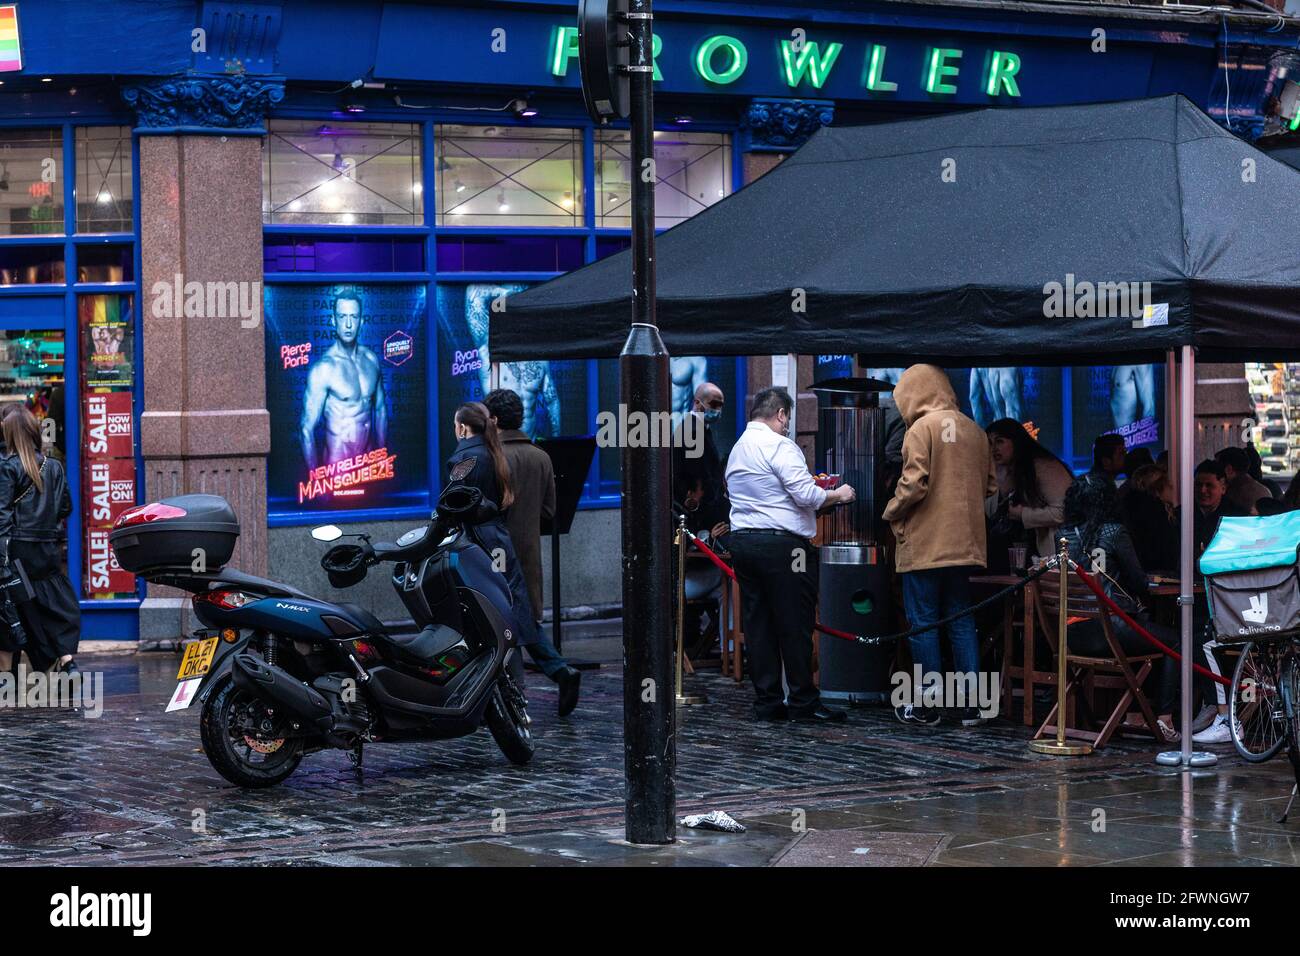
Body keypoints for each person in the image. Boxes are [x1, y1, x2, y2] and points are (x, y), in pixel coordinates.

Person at [725, 387, 855, 722]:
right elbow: (805, 495)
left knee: (759, 626)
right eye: (788, 418)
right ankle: (803, 702)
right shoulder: (780, 445)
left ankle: (768, 702)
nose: (787, 426)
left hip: (744, 543)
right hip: (784, 548)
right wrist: (838, 494)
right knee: (795, 623)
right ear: (781, 414)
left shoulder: (738, 448)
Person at [883, 365, 997, 727]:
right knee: (961, 620)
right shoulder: (975, 430)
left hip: (926, 545)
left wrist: (891, 511)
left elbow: (913, 484)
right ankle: (971, 705)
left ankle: (928, 704)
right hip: (965, 544)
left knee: (923, 623)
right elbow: (991, 487)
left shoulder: (920, 429)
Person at [482, 389, 582, 717]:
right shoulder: (541, 456)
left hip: (493, 553)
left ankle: (512, 699)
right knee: (522, 619)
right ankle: (557, 670)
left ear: (494, 420)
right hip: (527, 552)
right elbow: (550, 511)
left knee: (498, 621)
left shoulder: (491, 458)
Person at [1058, 476, 1179, 742]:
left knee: (1143, 635)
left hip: (1074, 634)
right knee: (1174, 642)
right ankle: (1164, 719)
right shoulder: (1114, 532)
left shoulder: (1063, 536)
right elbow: (1138, 582)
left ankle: (1135, 715)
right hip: (1111, 630)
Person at [445, 402, 544, 689]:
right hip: (499, 539)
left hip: (475, 541)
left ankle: (492, 688)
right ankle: (515, 687)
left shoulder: (465, 458)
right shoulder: (494, 453)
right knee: (507, 610)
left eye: (455, 425)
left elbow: (453, 504)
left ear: (463, 428)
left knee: (482, 613)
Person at [0, 406, 78, 675]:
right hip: (47, 548)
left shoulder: (8, 467)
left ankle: (7, 675)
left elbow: (2, 516)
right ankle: (67, 661)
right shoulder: (54, 466)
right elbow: (66, 507)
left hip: (17, 548)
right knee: (50, 605)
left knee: (12, 607)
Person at [300, 292, 388, 472]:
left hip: (369, 468)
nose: (348, 324)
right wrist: (316, 480)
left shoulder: (371, 360)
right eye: (342, 317)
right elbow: (305, 430)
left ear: (361, 321)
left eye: (353, 317)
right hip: (337, 470)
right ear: (334, 321)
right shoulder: (324, 369)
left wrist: (381, 459)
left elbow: (380, 410)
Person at [984, 418, 1075, 561]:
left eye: (1000, 441)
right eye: (990, 443)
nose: (994, 448)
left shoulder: (1044, 467)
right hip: (1022, 552)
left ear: (1016, 441)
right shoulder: (1005, 470)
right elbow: (991, 514)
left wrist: (1023, 514)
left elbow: (1063, 512)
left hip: (1055, 551)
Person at [672, 381, 729, 539]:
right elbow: (698, 478)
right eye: (714, 404)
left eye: (721, 405)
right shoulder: (692, 432)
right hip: (699, 516)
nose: (718, 410)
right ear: (697, 403)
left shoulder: (697, 428)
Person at [1119, 464, 1178, 574]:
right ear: (1159, 488)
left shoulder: (1130, 511)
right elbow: (1167, 552)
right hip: (1161, 574)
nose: (1172, 487)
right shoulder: (1158, 514)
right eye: (1168, 484)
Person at [1215, 446, 1271, 515]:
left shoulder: (1233, 494)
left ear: (1229, 470)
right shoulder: (1263, 490)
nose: (1214, 472)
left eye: (1217, 468)